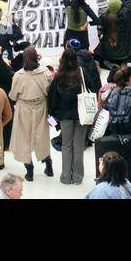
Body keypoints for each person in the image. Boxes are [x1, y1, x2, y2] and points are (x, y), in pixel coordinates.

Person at [8, 47, 52, 182]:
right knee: (41, 137)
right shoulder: (46, 73)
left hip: (24, 108)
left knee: (23, 139)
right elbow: (49, 91)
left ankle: (29, 169)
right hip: (41, 107)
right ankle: (48, 165)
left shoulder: (19, 75)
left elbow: (13, 95)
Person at [46, 47, 86, 186]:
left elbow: (52, 98)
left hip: (64, 116)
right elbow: (92, 88)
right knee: (79, 145)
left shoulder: (59, 77)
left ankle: (65, 177)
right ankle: (78, 177)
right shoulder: (81, 73)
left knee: (66, 145)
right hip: (82, 115)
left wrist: (53, 115)